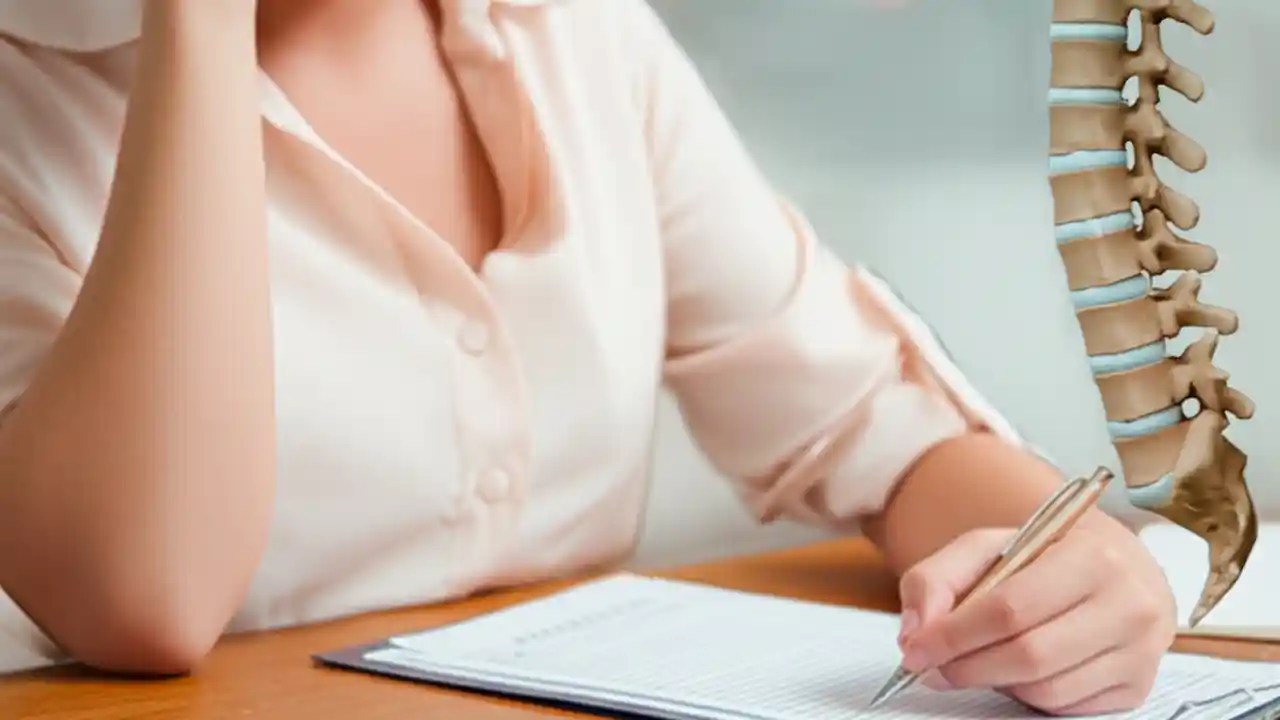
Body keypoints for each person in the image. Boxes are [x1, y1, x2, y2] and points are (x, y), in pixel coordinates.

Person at [0, 0, 1174, 714]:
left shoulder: (572, 31)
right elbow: (137, 598)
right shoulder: (28, 83)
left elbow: (872, 423)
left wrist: (1072, 564)